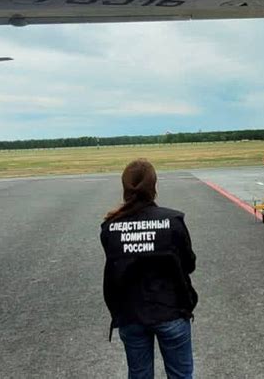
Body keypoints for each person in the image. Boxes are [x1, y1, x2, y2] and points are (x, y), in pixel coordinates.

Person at [100, 159, 197, 379]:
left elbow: (115, 267)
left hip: (130, 313)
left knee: (139, 374)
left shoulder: (110, 227)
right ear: (154, 187)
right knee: (181, 374)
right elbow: (188, 264)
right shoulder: (173, 220)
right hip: (171, 310)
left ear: (125, 188)